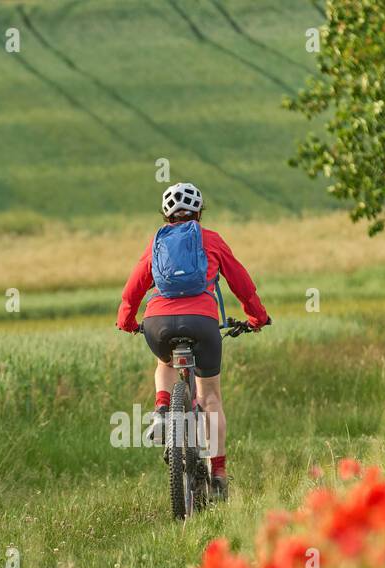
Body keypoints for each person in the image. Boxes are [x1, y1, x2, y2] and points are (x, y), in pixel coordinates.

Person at [116, 182, 270, 500]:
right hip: (202, 322)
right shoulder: (210, 239)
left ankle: (161, 409)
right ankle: (219, 475)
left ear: (166, 215)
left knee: (165, 361)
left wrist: (127, 321)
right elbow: (242, 283)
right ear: (199, 212)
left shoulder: (156, 242)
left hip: (158, 323)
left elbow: (133, 287)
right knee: (210, 396)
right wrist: (256, 317)